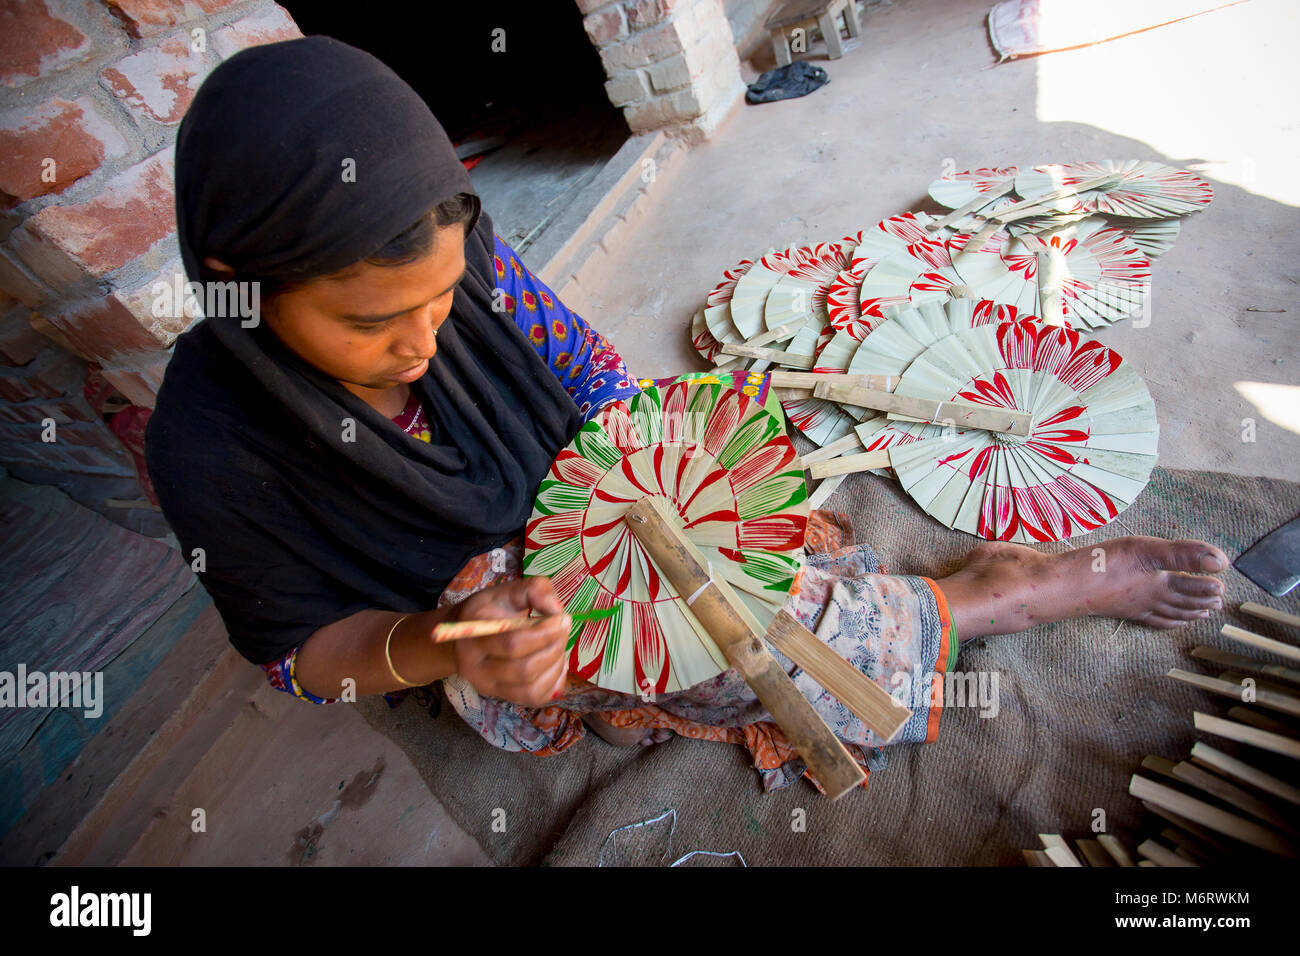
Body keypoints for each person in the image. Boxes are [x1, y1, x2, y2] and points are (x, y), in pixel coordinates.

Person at [146, 37, 1228, 794]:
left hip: (595, 496)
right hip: (480, 616)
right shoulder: (207, 444)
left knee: (723, 512)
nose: (424, 342)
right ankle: (968, 605)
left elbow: (584, 367)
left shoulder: (458, 251)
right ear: (239, 279)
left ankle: (898, 611)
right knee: (688, 635)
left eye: (441, 299)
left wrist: (665, 452)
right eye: (369, 321)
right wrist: (449, 642)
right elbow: (299, 657)